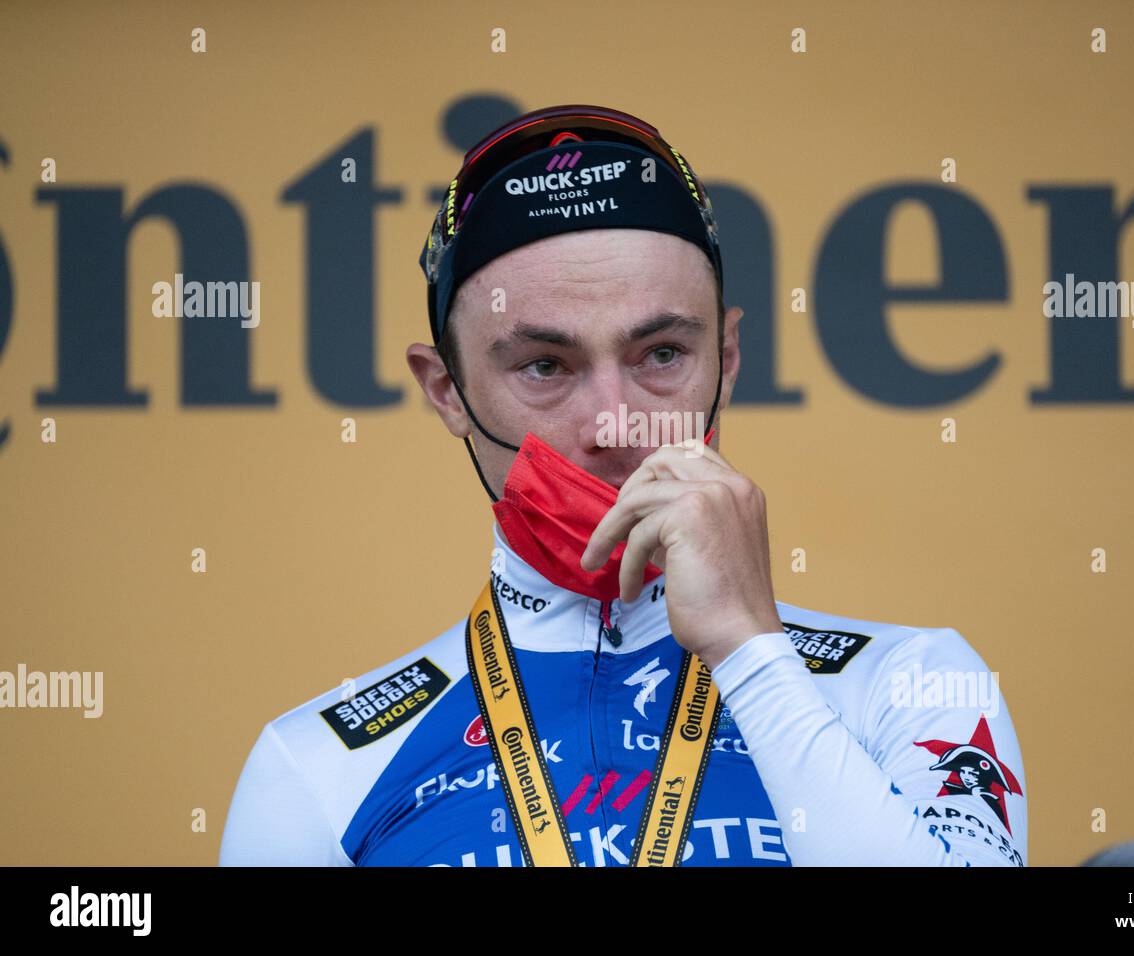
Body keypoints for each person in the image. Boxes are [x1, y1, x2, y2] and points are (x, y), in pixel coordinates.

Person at [218, 104, 1028, 867]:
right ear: (448, 392)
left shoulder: (912, 681)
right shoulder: (317, 766)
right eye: (545, 366)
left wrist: (751, 652)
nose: (617, 424)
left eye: (662, 355)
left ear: (729, 360)